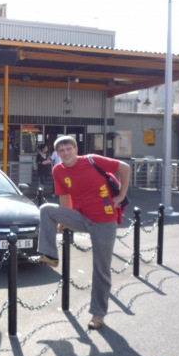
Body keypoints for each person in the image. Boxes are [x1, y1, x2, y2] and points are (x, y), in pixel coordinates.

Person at [29, 135, 130, 331]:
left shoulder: (92, 160)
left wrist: (121, 195)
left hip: (104, 221)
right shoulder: (58, 170)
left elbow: (124, 168)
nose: (65, 153)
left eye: (69, 149)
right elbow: (64, 197)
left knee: (101, 269)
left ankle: (98, 314)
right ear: (57, 153)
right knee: (46, 210)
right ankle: (50, 255)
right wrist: (64, 219)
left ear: (76, 149)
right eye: (61, 150)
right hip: (81, 218)